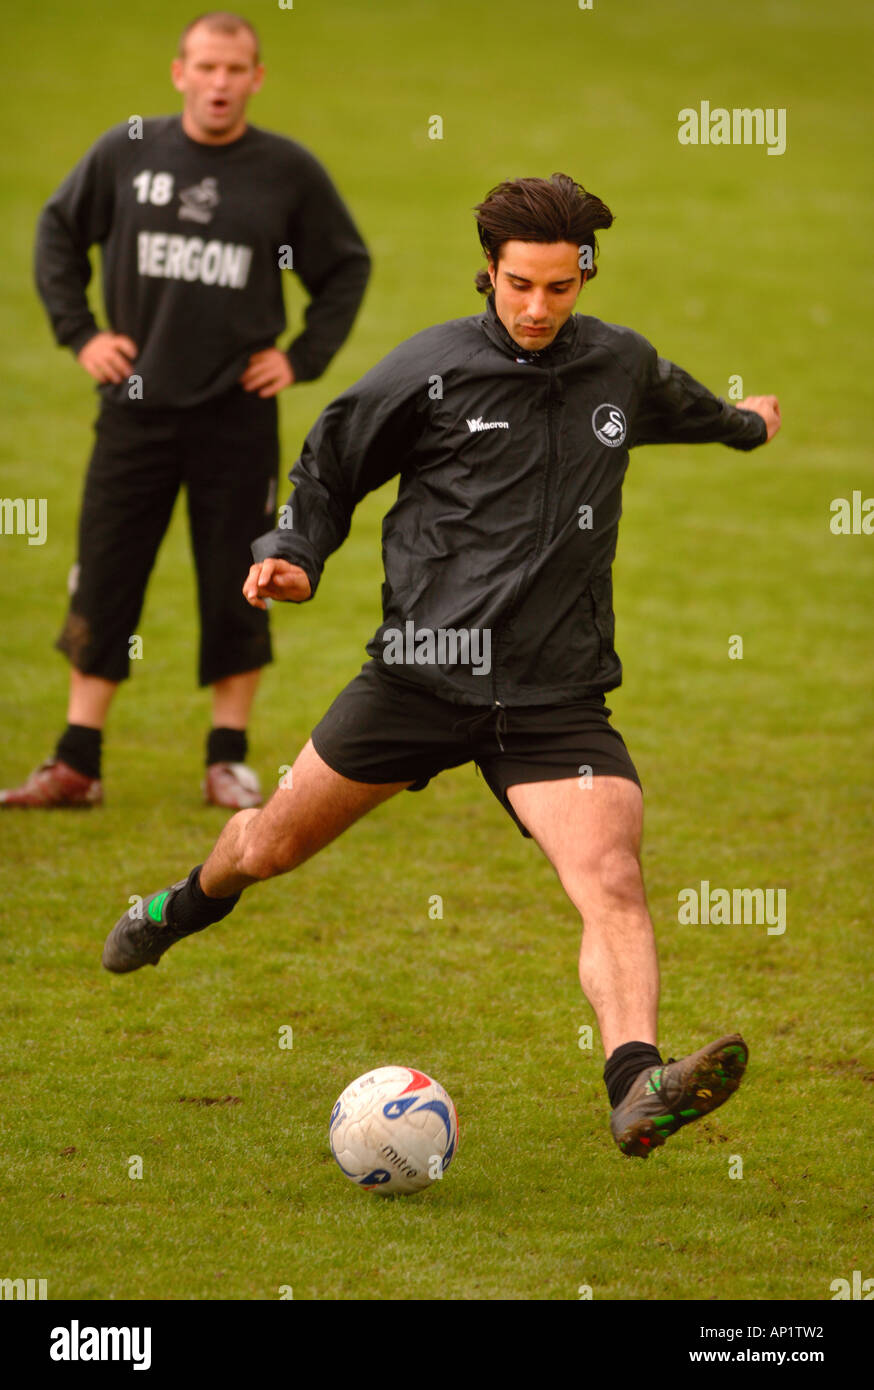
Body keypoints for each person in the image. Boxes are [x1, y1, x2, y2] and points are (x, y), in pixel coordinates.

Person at [101, 173, 781, 1159]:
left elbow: (682, 407)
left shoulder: (617, 365)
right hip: (420, 676)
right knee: (268, 848)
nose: (537, 308)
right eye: (518, 286)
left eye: (557, 287)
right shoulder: (430, 372)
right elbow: (327, 470)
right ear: (489, 275)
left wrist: (747, 423)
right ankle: (178, 906)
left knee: (613, 877)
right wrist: (288, 554)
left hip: (555, 692)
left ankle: (636, 1082)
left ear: (582, 274)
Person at [2, 10, 370, 810]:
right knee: (104, 572)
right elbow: (58, 233)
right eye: (205, 67)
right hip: (132, 411)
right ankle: (76, 762)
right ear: (179, 73)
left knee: (240, 578)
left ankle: (227, 760)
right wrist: (80, 334)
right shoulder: (127, 152)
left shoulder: (286, 172)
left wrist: (300, 357)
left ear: (256, 79)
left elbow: (345, 267)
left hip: (236, 416)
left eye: (235, 69)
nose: (219, 82)